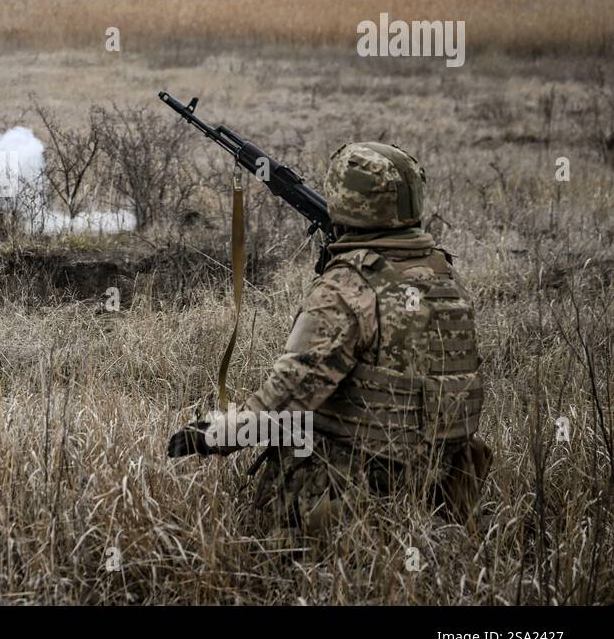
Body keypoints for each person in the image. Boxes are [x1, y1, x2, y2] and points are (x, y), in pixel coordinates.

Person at [168, 142, 492, 534]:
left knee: (293, 446)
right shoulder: (445, 275)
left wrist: (212, 435)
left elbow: (284, 402)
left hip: (366, 489)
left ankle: (286, 554)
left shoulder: (347, 287)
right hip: (446, 484)